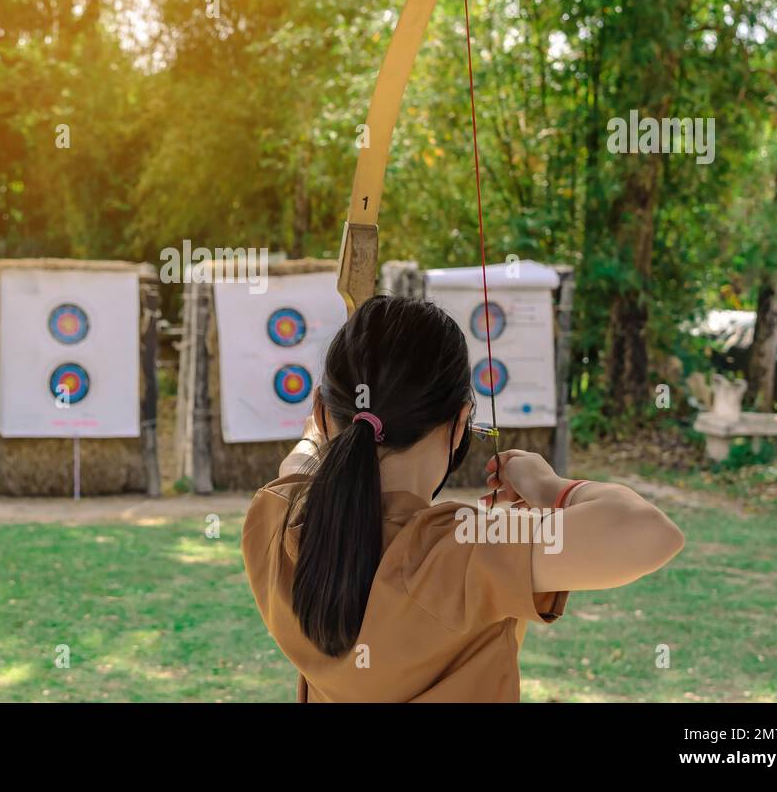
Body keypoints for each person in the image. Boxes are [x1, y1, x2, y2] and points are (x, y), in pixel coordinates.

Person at [241, 294, 685, 701]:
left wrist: (314, 437)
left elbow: (297, 467)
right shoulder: (465, 550)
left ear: (321, 412)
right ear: (460, 424)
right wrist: (548, 487)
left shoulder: (275, 520)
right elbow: (650, 533)